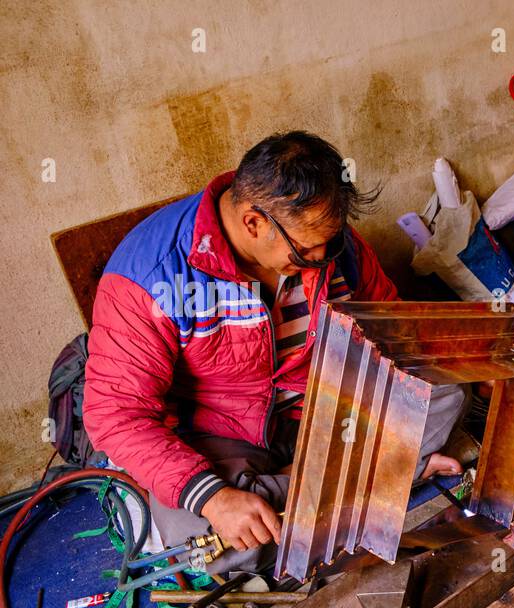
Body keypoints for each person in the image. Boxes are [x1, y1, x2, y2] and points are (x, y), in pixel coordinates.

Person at [84, 131, 466, 570]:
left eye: (331, 242)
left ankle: (310, 485)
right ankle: (377, 476)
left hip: (324, 414)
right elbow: (116, 415)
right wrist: (216, 498)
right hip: (226, 437)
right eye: (304, 251)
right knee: (211, 534)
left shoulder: (329, 245)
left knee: (447, 390)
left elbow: (392, 327)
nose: (322, 258)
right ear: (253, 223)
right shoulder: (150, 275)